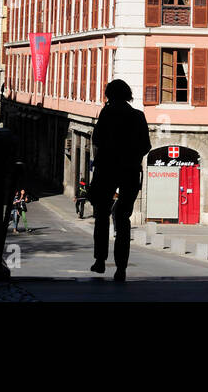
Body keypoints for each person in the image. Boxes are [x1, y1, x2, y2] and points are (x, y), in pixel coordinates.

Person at [88, 79, 151, 282]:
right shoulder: (138, 116)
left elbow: (96, 139)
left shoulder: (107, 114)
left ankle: (100, 261)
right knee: (122, 219)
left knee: (102, 215)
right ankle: (121, 268)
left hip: (106, 170)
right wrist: (131, 156)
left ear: (109, 95)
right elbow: (146, 146)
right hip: (130, 172)